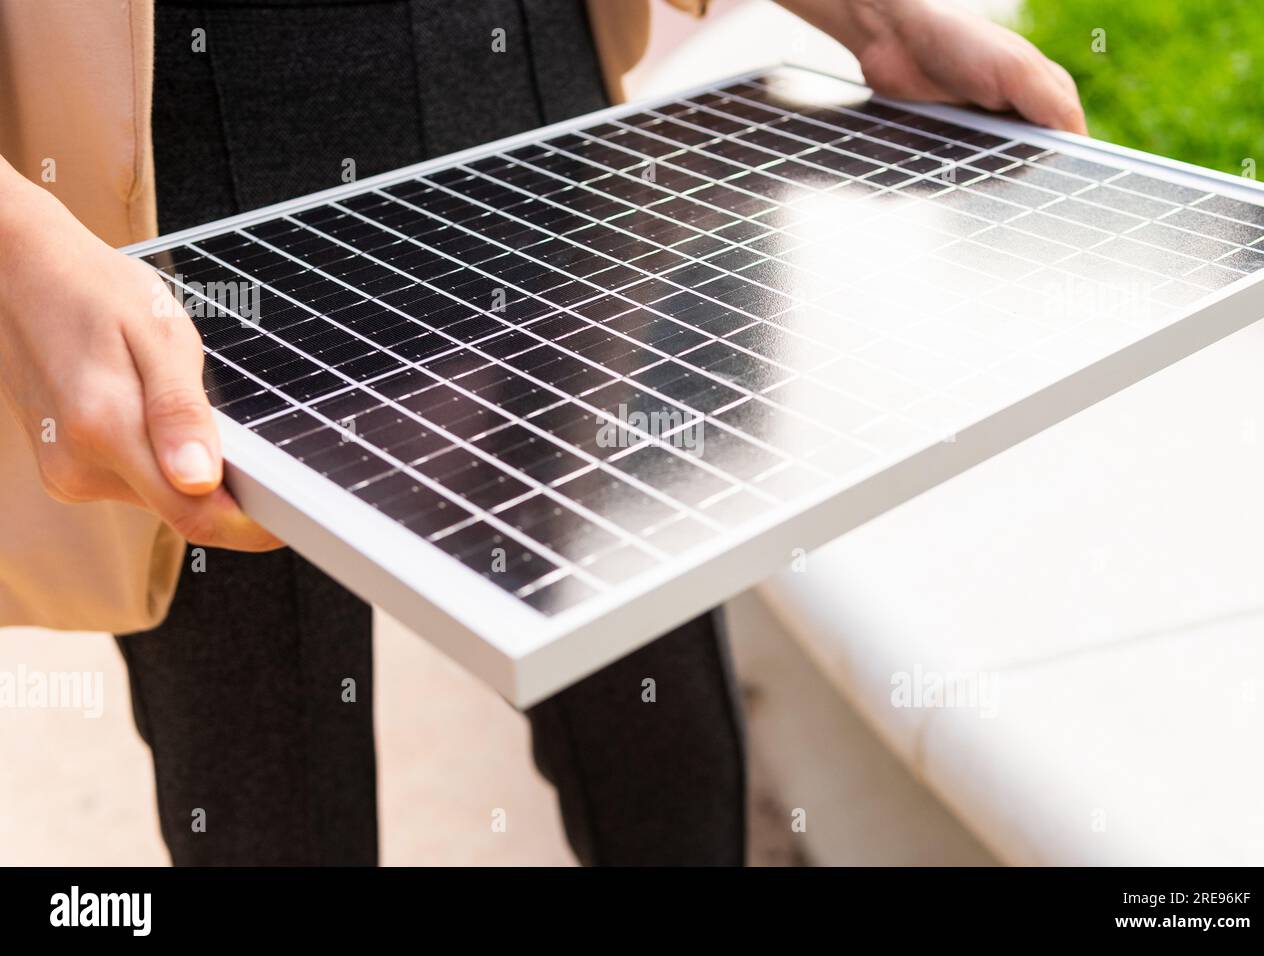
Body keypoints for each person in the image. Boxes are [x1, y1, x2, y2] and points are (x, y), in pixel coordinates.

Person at [0, 0, 1085, 865]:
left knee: (671, 772)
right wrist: (27, 242)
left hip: (547, 139)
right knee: (266, 817)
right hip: (186, 228)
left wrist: (874, 17)